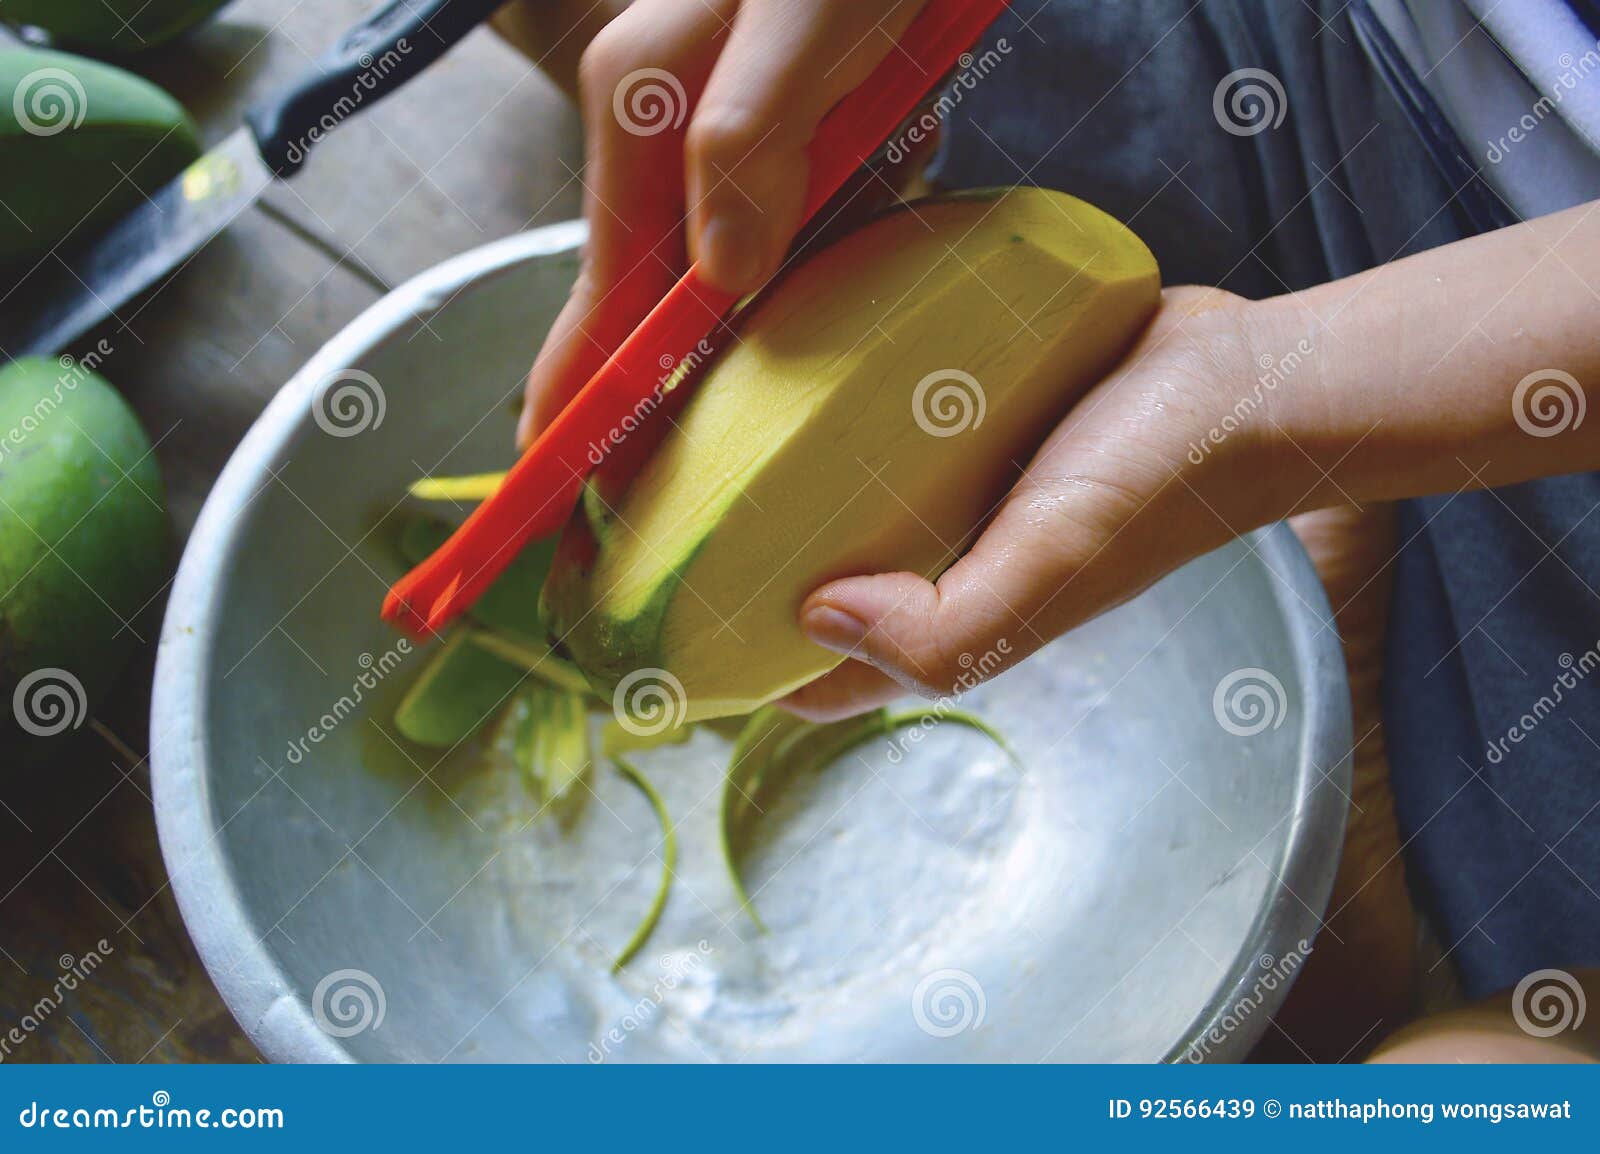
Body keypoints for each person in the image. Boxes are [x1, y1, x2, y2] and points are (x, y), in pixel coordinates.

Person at [492, 0, 1600, 1061]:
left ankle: (1345, 948)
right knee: (629, 47)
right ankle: (1322, 921)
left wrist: (1275, 395)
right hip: (1348, 44)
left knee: (1462, 1081)